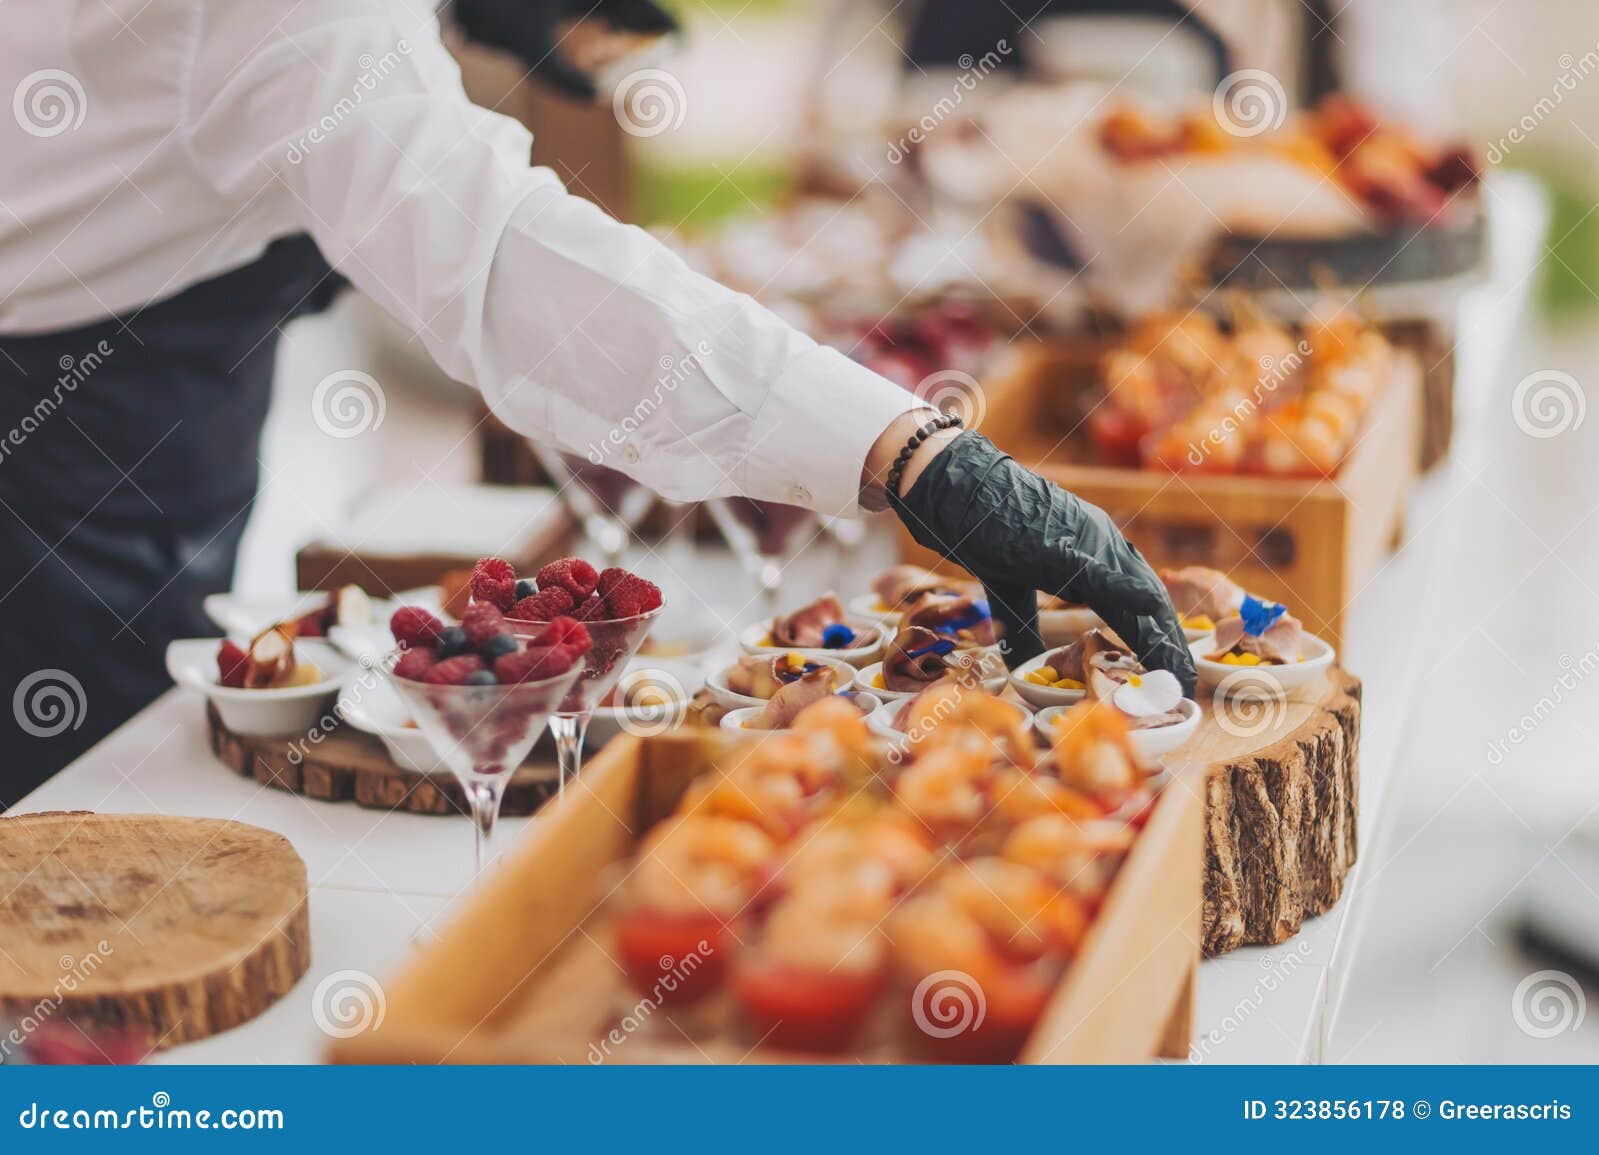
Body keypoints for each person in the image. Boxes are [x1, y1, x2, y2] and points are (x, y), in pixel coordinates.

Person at [0, 0, 1192, 808]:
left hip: (157, 315)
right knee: (78, 815)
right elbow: (502, 266)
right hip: (63, 398)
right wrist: (913, 453)